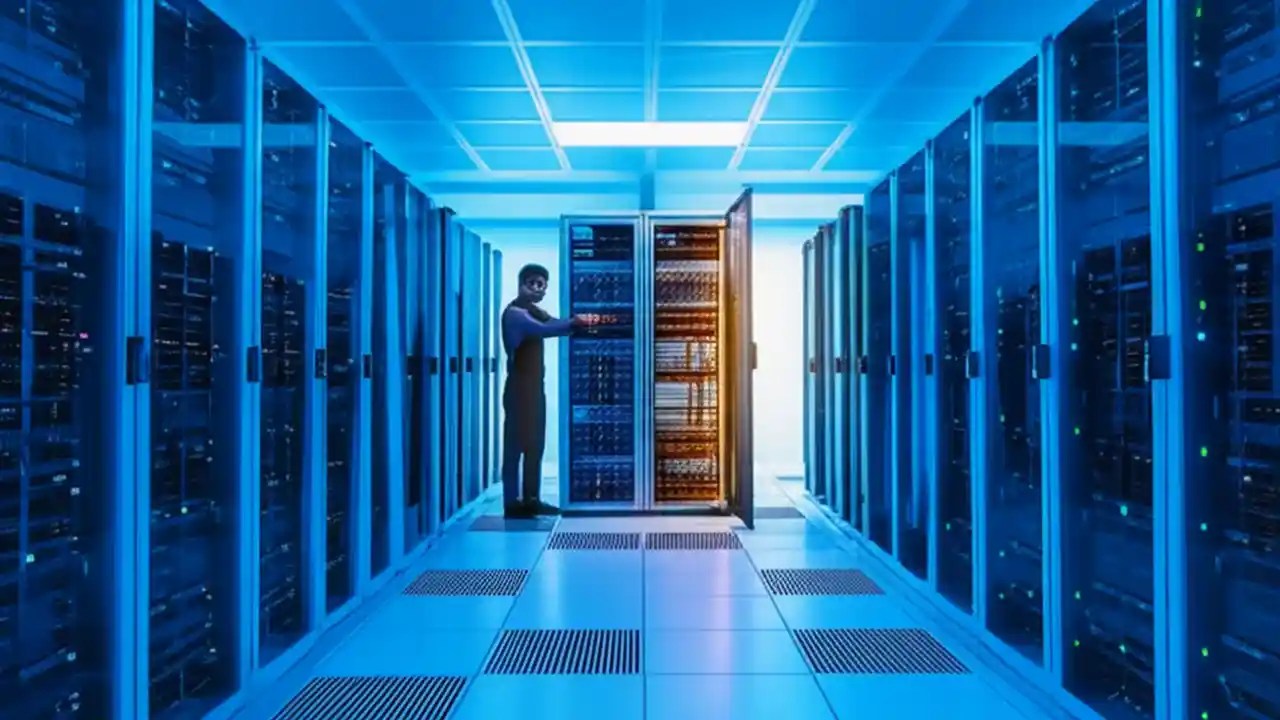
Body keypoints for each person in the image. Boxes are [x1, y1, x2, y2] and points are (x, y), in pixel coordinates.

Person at [501, 263, 595, 518]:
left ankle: (532, 499)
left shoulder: (535, 311)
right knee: (515, 447)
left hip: (533, 389)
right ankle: (511, 504)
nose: (535, 288)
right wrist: (576, 322)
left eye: (540, 284)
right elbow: (548, 329)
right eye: (530, 282)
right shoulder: (516, 314)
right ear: (520, 284)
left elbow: (555, 322)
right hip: (519, 390)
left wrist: (578, 323)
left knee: (535, 446)